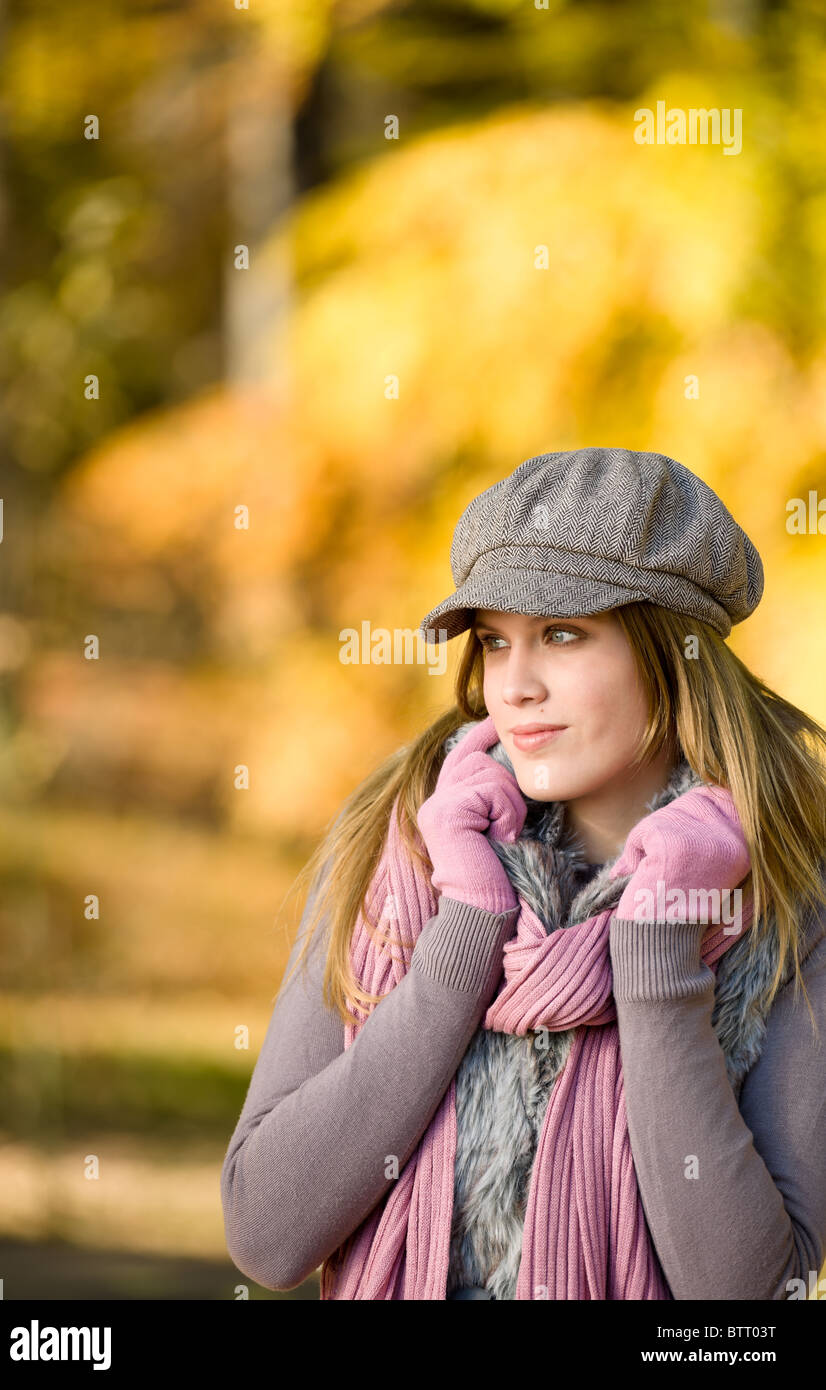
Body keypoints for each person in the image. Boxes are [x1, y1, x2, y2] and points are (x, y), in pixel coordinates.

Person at [220, 446, 826, 1300]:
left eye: (562, 635)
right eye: (494, 641)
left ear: (673, 650)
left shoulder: (792, 894)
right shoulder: (403, 842)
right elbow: (266, 1235)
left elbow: (746, 1299)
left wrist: (657, 957)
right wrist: (465, 935)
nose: (515, 686)